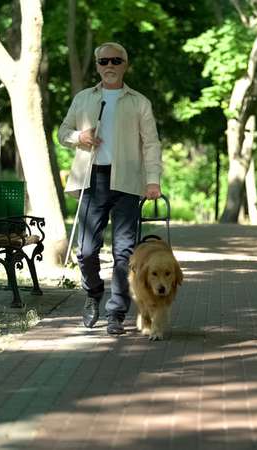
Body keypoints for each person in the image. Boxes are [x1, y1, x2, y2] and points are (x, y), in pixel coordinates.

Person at [58, 42, 162, 335]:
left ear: (125, 64)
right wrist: (81, 136)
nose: (110, 66)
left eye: (116, 60)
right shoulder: (83, 99)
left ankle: (116, 313)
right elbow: (62, 133)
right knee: (86, 250)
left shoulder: (139, 102)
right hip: (92, 179)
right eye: (104, 61)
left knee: (124, 252)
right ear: (97, 65)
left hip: (127, 182)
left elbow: (152, 143)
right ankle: (93, 293)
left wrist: (152, 180)